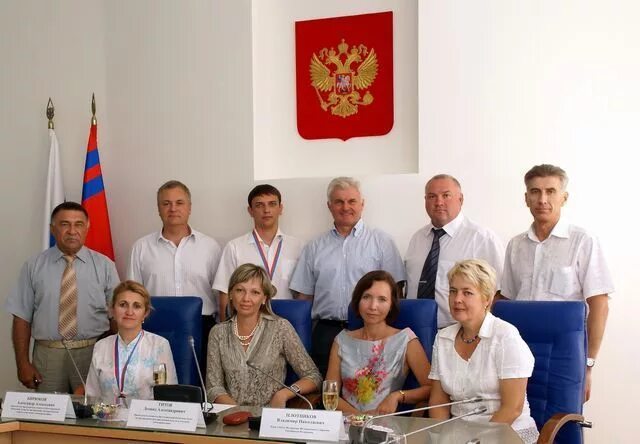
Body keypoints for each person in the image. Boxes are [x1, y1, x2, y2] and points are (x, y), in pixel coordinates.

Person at [500, 164, 613, 401]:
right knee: (515, 419)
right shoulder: (515, 245)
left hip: (564, 354)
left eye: (550, 191)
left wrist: (588, 364)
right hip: (517, 350)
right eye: (535, 192)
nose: (542, 199)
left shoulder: (583, 241)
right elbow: (506, 300)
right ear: (526, 198)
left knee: (563, 421)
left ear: (564, 197)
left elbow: (599, 305)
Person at [290, 177, 405, 375]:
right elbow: (303, 297)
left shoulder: (381, 242)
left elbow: (396, 294)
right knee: (327, 392)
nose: (345, 207)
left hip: (371, 330)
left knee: (368, 390)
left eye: (351, 201)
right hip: (326, 333)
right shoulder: (314, 247)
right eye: (339, 202)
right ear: (329, 206)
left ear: (362, 204)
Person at [6, 201, 120, 393]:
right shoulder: (33, 266)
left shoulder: (105, 265)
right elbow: (21, 317)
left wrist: (117, 359)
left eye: (78, 224)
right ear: (52, 229)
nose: (72, 231)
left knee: (91, 416)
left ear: (87, 228)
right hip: (48, 355)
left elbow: (117, 316)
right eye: (64, 224)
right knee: (47, 417)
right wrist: (22, 363)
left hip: (92, 353)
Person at [429, 260, 539, 444]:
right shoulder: (443, 338)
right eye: (453, 291)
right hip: (460, 437)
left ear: (487, 298)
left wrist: (475, 441)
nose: (457, 299)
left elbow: (513, 408)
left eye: (467, 293)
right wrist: (440, 437)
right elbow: (438, 403)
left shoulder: (505, 336)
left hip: (510, 433)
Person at [128, 180, 222, 364]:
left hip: (201, 327)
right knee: (157, 385)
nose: (173, 208)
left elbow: (219, 295)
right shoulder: (141, 247)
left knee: (197, 384)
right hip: (155, 326)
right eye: (166, 203)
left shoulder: (210, 247)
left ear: (189, 207)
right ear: (158, 208)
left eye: (179, 203)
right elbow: (133, 294)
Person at [206, 264, 321, 407]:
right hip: (230, 418)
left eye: (255, 292)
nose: (246, 298)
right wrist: (238, 413)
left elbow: (313, 377)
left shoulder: (280, 328)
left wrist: (284, 393)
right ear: (230, 294)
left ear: (264, 298)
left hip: (270, 419)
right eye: (240, 290)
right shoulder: (218, 332)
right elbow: (213, 388)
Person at [405, 174, 504, 328]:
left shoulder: (482, 239)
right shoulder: (417, 239)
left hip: (461, 332)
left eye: (446, 195)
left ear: (461, 199)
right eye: (432, 196)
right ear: (425, 201)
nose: (439, 202)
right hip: (415, 330)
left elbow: (498, 294)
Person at [325, 270, 431, 415]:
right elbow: (330, 395)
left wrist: (398, 396)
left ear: (391, 304)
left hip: (386, 427)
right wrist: (360, 418)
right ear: (357, 300)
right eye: (367, 297)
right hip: (346, 423)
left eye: (382, 299)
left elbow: (432, 388)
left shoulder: (406, 339)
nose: (373, 306)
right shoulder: (341, 340)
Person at [214, 184, 304, 321]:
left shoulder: (298, 247)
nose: (266, 210)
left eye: (272, 204)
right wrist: (225, 330)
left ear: (280, 208)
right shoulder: (235, 247)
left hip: (288, 320)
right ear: (250, 211)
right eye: (259, 205)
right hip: (247, 321)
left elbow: (303, 293)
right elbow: (224, 293)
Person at [85, 280, 178, 402]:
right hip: (106, 418)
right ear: (113, 310)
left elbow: (167, 396)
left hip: (146, 418)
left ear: (145, 313)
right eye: (123, 305)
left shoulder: (159, 346)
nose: (129, 312)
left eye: (137, 306)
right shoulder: (101, 346)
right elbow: (92, 395)